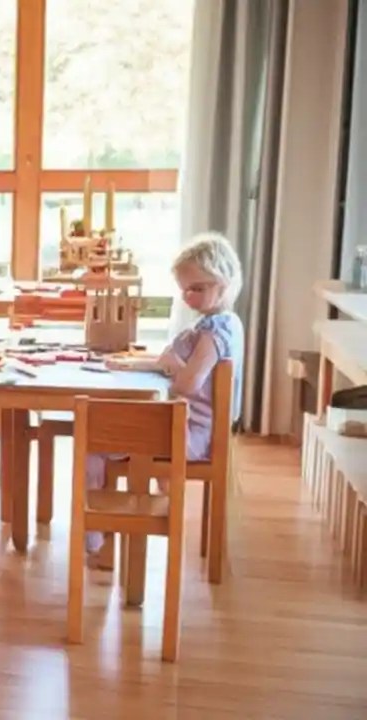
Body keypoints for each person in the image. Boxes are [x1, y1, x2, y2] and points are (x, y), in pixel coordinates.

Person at [86, 232, 245, 564]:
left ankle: (95, 531)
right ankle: (109, 522)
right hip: (187, 427)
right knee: (107, 428)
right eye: (185, 289)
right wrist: (139, 363)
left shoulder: (215, 332)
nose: (189, 296)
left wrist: (170, 366)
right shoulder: (220, 324)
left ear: (224, 282)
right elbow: (172, 366)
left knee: (94, 439)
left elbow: (187, 382)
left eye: (198, 288)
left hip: (189, 436)